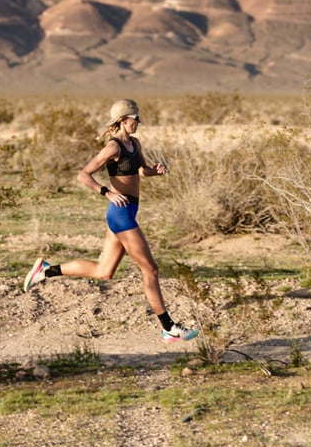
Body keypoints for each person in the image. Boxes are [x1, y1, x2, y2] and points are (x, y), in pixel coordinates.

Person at [23, 98, 199, 342]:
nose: (139, 122)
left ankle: (46, 271)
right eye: (135, 118)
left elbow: (140, 171)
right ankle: (169, 327)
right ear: (123, 120)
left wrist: (154, 171)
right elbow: (83, 175)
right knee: (150, 269)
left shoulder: (135, 144)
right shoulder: (113, 147)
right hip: (121, 215)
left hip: (127, 212)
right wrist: (107, 192)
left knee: (104, 272)